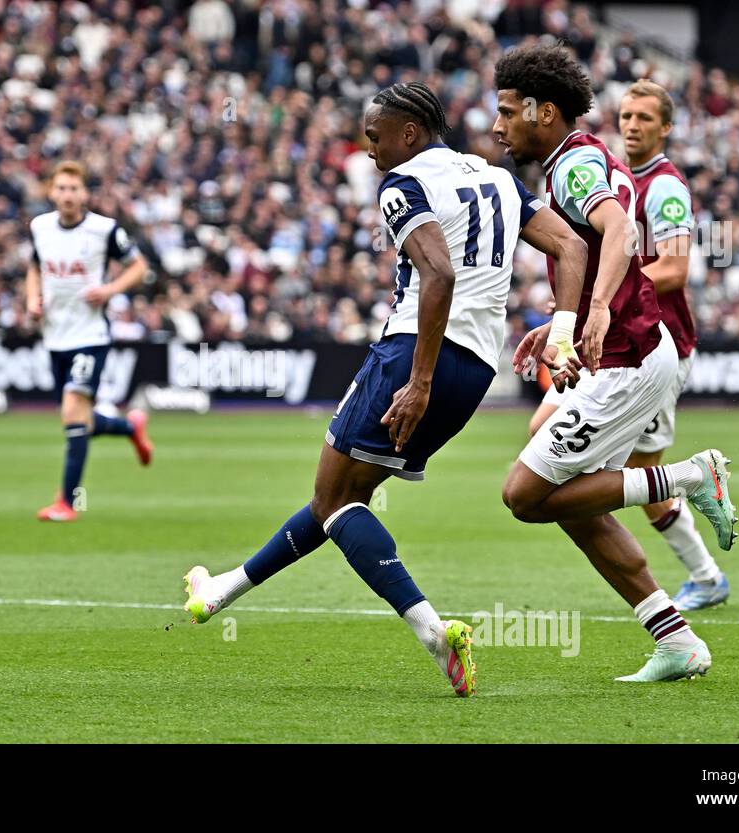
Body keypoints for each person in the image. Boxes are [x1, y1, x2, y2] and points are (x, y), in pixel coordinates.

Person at [182, 81, 590, 697]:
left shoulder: (403, 185)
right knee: (343, 498)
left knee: (334, 503)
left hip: (412, 355)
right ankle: (220, 592)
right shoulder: (498, 178)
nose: (369, 149)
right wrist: (562, 329)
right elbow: (572, 244)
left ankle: (434, 632)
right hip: (478, 369)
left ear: (409, 133)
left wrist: (418, 378)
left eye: (375, 137)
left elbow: (438, 273)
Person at [492, 44, 737, 682]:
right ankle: (674, 638)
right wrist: (562, 322)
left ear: (544, 113)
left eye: (508, 112)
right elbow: (599, 246)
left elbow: (622, 235)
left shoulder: (573, 165)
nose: (498, 126)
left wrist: (594, 311)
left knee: (523, 495)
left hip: (628, 358)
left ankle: (689, 477)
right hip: (628, 347)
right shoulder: (585, 157)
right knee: (569, 499)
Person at [26, 161, 154, 522]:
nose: (68, 195)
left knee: (72, 413)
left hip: (90, 336)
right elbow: (34, 268)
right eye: (61, 188)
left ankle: (67, 502)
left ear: (84, 194)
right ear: (52, 192)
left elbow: (139, 266)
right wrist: (31, 300)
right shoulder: (40, 228)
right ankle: (130, 427)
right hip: (54, 336)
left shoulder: (104, 230)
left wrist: (110, 289)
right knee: (80, 421)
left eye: (74, 189)